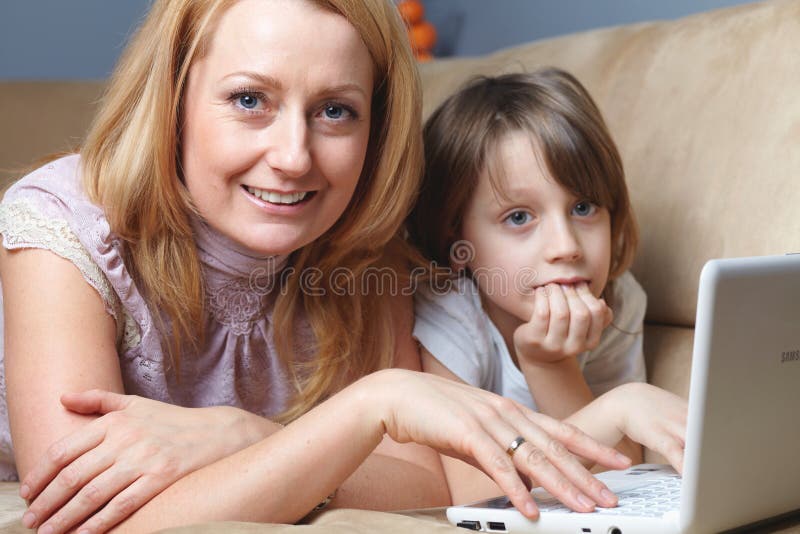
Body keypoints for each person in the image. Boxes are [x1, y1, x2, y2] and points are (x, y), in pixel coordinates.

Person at [0, 2, 680, 533]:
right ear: (174, 99)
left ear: (375, 129)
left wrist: (251, 436)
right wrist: (366, 412)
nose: (294, 156)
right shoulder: (61, 227)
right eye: (249, 100)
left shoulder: (365, 257)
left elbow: (428, 487)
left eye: (335, 111)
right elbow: (87, 516)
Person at [407, 70, 685, 502]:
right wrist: (608, 404)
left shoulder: (618, 297)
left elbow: (622, 477)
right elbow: (465, 492)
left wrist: (551, 365)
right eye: (519, 217)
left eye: (583, 206)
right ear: (456, 240)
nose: (566, 246)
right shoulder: (450, 310)